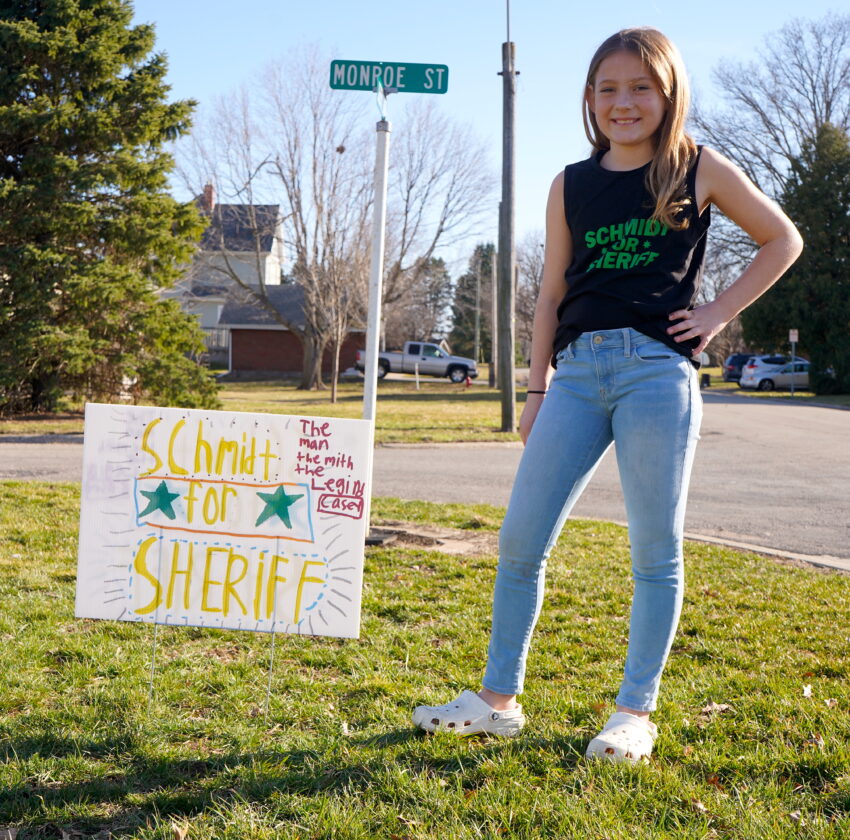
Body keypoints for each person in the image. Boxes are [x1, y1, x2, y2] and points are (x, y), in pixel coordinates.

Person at [412, 26, 803, 762]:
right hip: (577, 376)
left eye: (640, 88)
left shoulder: (699, 168)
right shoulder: (572, 182)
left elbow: (782, 239)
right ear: (589, 99)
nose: (623, 103)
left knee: (655, 553)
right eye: (608, 89)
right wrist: (534, 388)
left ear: (668, 93)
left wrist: (718, 313)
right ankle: (498, 700)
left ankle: (634, 714)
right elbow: (552, 290)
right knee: (521, 542)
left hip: (659, 373)